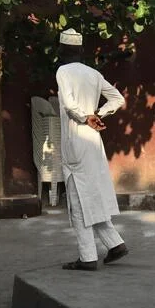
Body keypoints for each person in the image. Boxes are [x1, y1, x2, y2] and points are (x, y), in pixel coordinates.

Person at [55, 28, 129, 270]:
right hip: (94, 140)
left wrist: (85, 117)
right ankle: (115, 244)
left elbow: (68, 104)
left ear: (62, 49)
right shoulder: (93, 74)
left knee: (78, 201)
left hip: (75, 139)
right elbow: (117, 98)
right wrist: (98, 113)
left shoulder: (63, 71)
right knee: (90, 196)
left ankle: (87, 257)